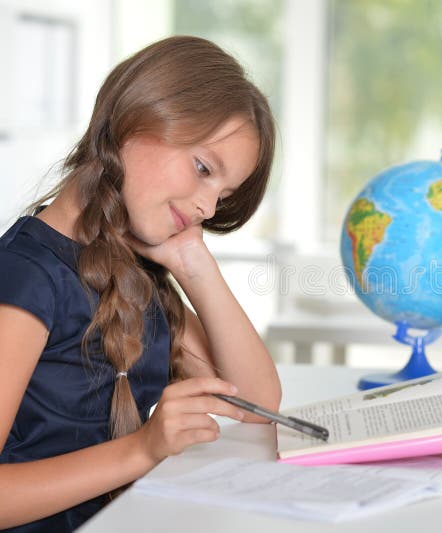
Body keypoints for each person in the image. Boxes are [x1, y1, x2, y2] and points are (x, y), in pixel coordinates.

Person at [0, 36, 282, 531]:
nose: (209, 208)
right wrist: (142, 449)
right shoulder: (26, 279)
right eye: (203, 169)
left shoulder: (135, 275)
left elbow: (256, 405)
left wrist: (193, 262)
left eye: (224, 194)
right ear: (136, 120)